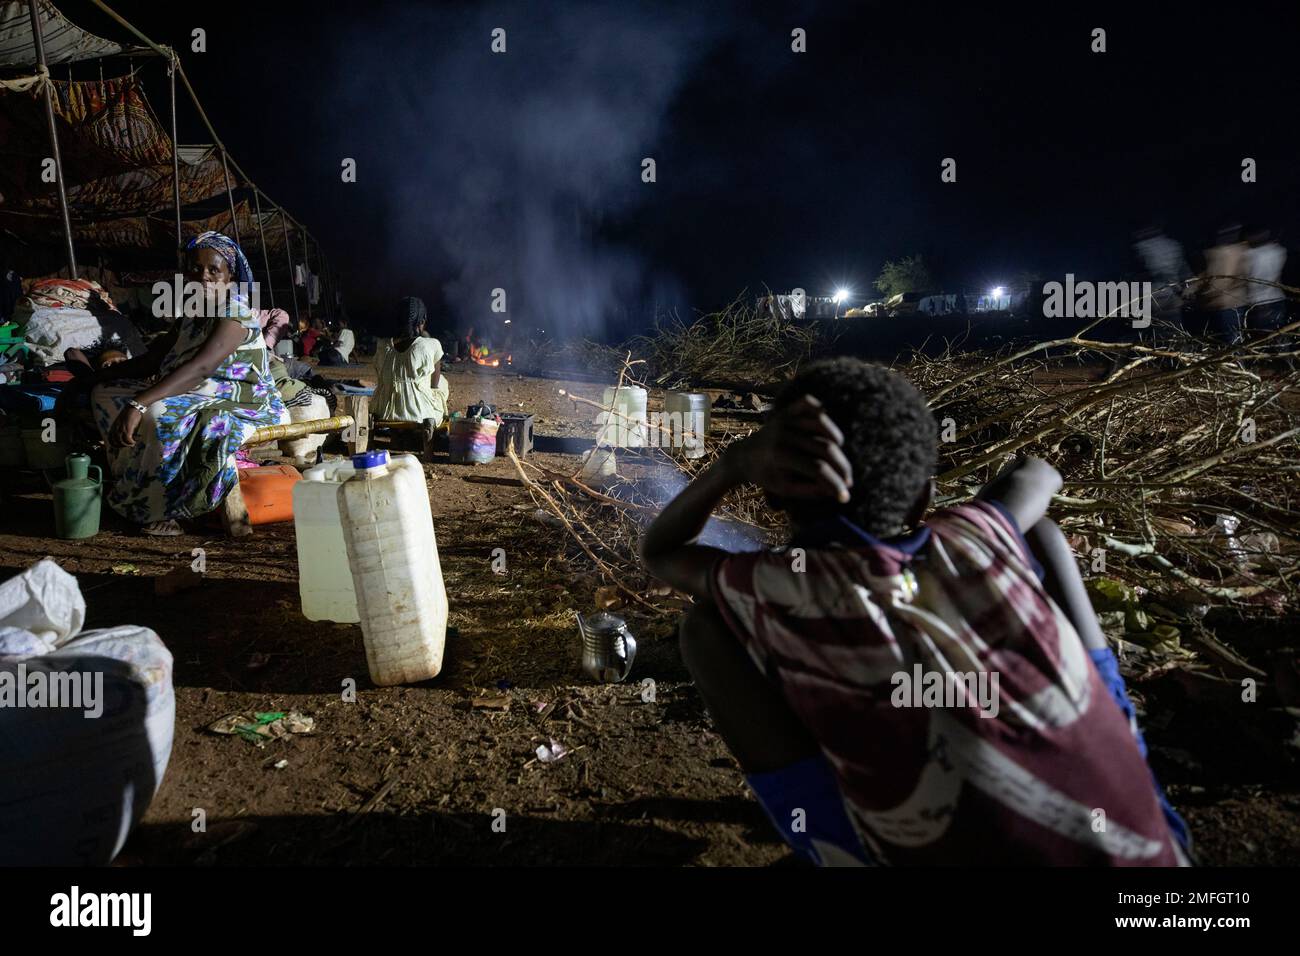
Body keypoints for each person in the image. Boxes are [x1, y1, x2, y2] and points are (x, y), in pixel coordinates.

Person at [640, 358, 1189, 866]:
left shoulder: (773, 586)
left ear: (771, 495)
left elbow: (660, 552)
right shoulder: (974, 535)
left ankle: (837, 846)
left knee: (706, 629)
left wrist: (732, 465)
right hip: (1155, 863)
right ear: (924, 497)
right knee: (1037, 533)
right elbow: (1037, 474)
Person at [80, 231, 284, 536]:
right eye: (195, 269)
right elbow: (153, 360)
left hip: (240, 398)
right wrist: (95, 377)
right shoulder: (192, 314)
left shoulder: (235, 313)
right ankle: (134, 481)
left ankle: (169, 507)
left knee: (158, 411)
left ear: (229, 276)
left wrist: (140, 402)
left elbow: (201, 367)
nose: (203, 277)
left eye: (214, 270)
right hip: (194, 388)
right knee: (105, 394)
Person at [371, 296, 449, 429]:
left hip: (383, 411)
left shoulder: (382, 345)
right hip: (419, 414)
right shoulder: (431, 344)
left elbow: (380, 378)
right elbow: (434, 386)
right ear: (422, 321)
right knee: (441, 382)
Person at [1242, 227, 1288, 338]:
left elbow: (1248, 279)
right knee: (1280, 335)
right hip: (1277, 298)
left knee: (1261, 338)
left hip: (1259, 302)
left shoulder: (1249, 254)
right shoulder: (1279, 250)